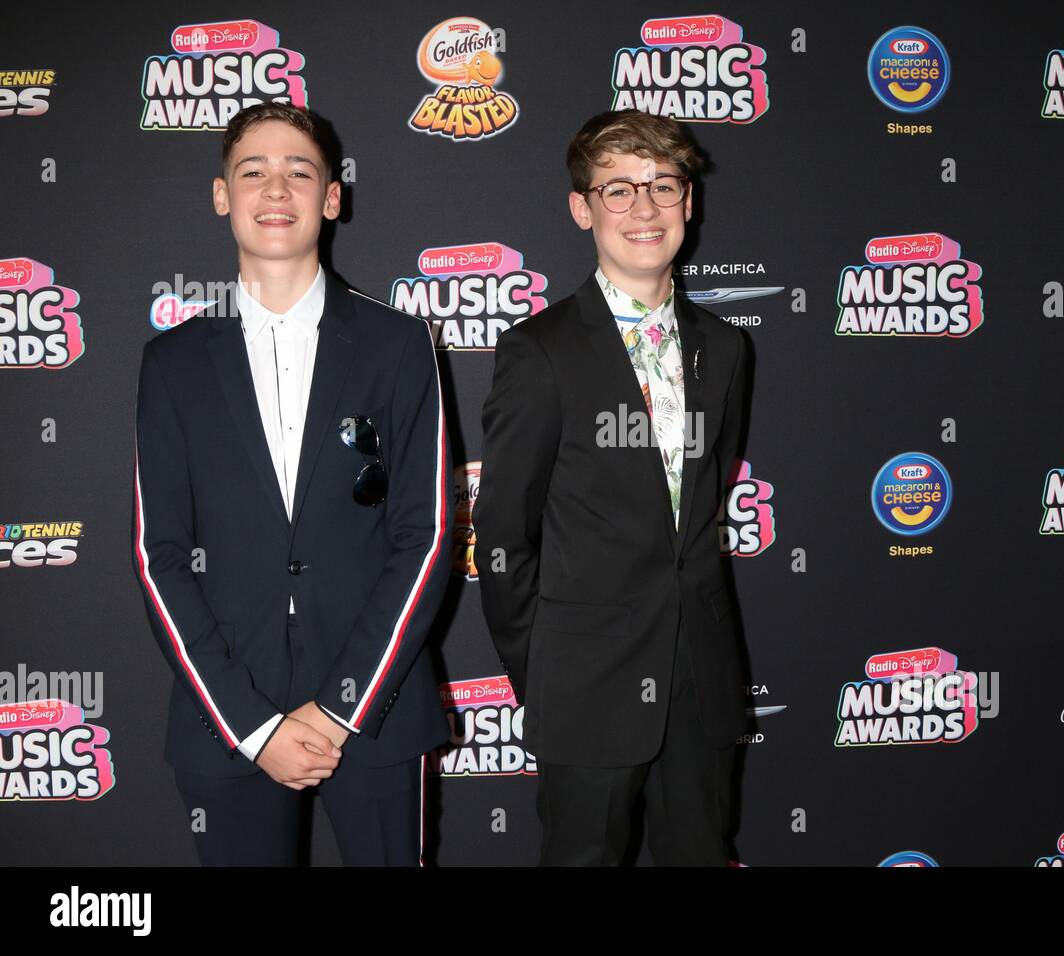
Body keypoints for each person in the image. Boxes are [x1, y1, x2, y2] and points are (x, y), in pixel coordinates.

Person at [131, 103, 451, 866]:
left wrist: (341, 709)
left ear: (332, 198)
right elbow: (159, 556)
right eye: (254, 172)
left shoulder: (399, 345)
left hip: (376, 708)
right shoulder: (171, 364)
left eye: (299, 172)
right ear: (222, 195)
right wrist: (251, 725)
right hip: (226, 717)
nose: (276, 189)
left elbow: (426, 534)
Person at [474, 108, 752, 865]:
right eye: (618, 189)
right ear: (582, 208)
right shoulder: (539, 351)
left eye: (663, 186)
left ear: (689, 201)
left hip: (700, 682)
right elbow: (503, 535)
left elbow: (703, 504)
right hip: (584, 685)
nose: (644, 208)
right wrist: (546, 668)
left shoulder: (726, 349)